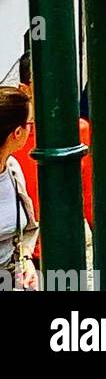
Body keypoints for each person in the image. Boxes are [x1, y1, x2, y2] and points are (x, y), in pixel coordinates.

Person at [14, 50, 94, 247]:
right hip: (20, 251)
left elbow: (91, 196)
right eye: (43, 82)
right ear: (25, 89)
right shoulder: (11, 136)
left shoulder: (80, 130)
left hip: (65, 246)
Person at [0, 87, 38, 291]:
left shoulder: (12, 168)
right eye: (30, 123)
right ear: (17, 133)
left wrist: (25, 260)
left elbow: (25, 229)